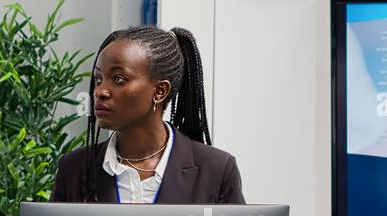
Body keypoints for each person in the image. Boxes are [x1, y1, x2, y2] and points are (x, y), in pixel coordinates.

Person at [50, 26, 244, 204]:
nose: (100, 91)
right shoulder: (74, 169)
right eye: (98, 79)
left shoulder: (217, 169)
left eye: (118, 79)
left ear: (160, 91)